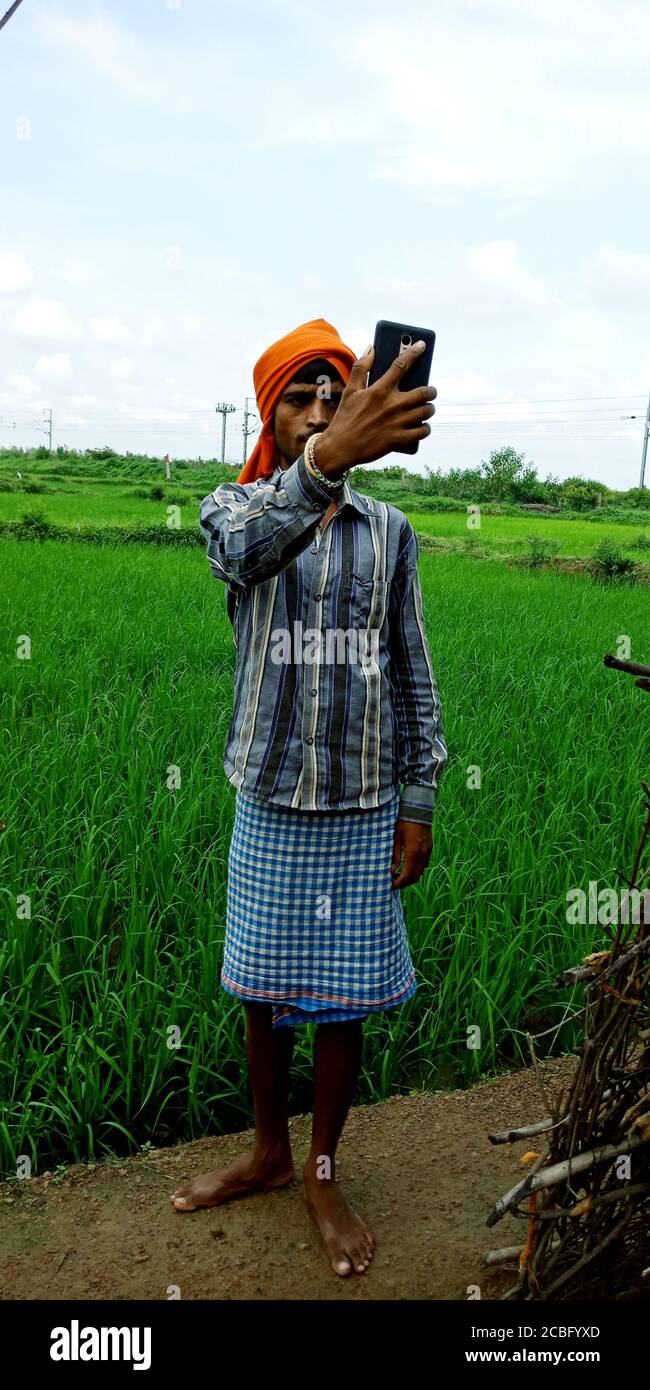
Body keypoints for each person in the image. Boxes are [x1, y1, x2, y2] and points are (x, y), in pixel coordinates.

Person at [170, 317, 448, 1278]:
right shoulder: (234, 513)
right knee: (261, 986)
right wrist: (326, 462)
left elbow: (410, 669)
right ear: (271, 412)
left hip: (365, 803)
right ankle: (268, 1150)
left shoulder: (393, 535)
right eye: (304, 395)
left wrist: (419, 798)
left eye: (339, 394)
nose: (324, 409)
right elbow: (242, 555)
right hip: (273, 801)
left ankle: (322, 1167)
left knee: (342, 1004)